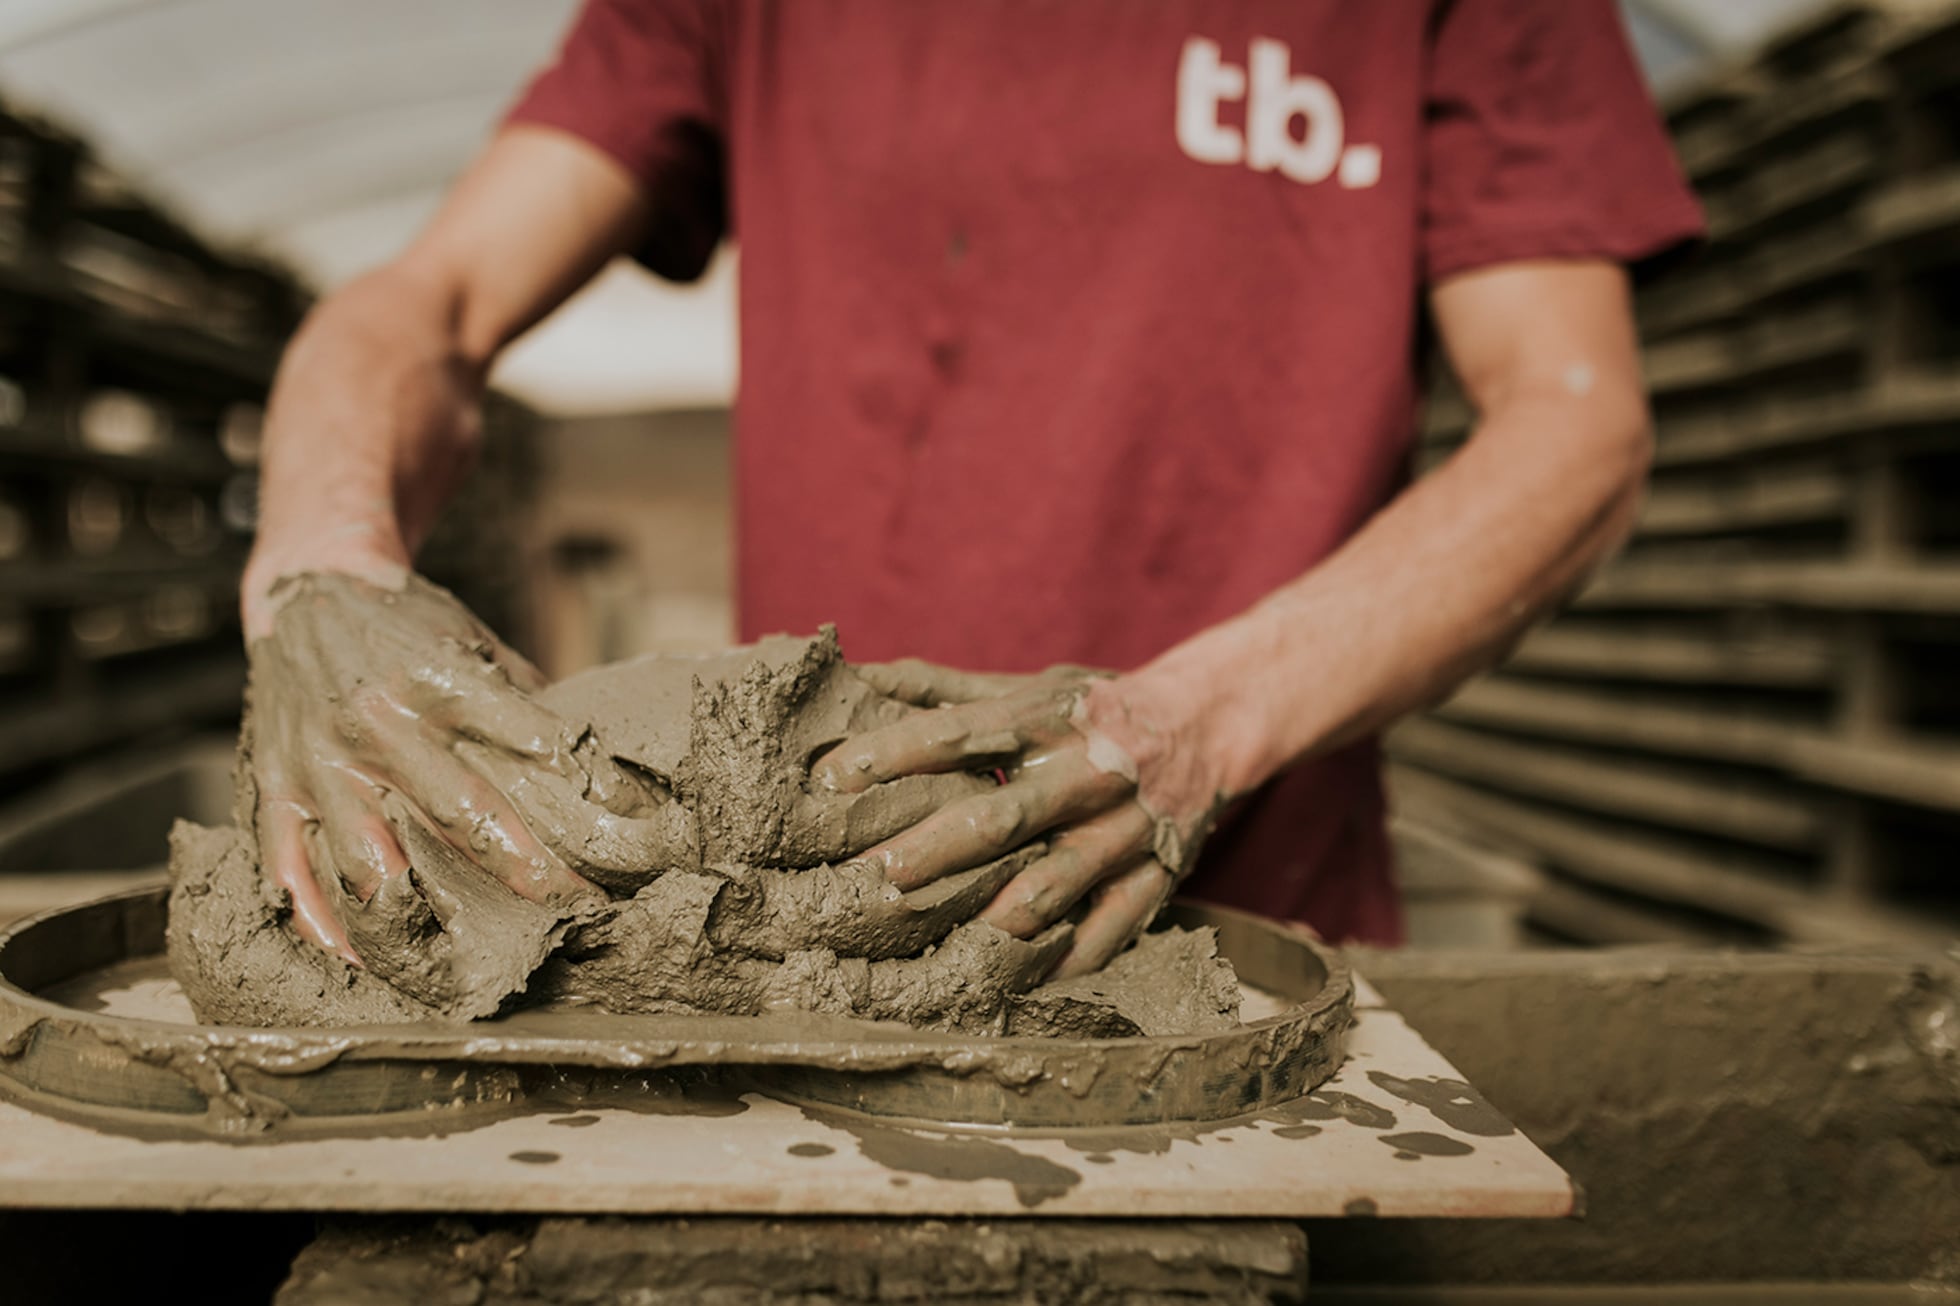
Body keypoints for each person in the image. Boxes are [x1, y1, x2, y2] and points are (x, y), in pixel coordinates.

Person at [240, 1, 1702, 980]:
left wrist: (1201, 722)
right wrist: (318, 553)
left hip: (1249, 935)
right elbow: (424, 305)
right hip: (813, 939)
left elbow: (1574, 423)